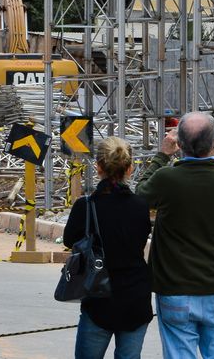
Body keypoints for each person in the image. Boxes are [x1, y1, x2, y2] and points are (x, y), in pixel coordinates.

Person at [136, 111, 214, 359]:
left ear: (179, 145)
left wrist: (162, 155)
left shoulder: (166, 178)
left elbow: (140, 196)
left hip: (175, 288)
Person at [63, 136, 153, 359]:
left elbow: (68, 240)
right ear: (130, 168)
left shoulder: (85, 206)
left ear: (98, 167)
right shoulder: (140, 206)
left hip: (98, 298)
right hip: (135, 300)